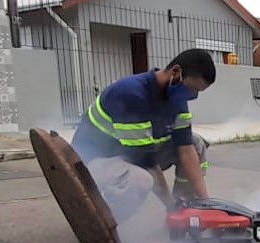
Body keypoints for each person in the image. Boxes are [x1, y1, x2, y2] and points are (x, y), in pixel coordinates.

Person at [70, 48, 215, 223]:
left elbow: (186, 150)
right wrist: (170, 207)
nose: (193, 96)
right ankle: (102, 226)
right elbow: (147, 163)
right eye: (192, 89)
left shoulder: (177, 100)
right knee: (139, 180)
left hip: (129, 154)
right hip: (94, 161)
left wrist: (207, 202)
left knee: (195, 144)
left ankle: (187, 206)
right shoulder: (131, 94)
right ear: (175, 72)